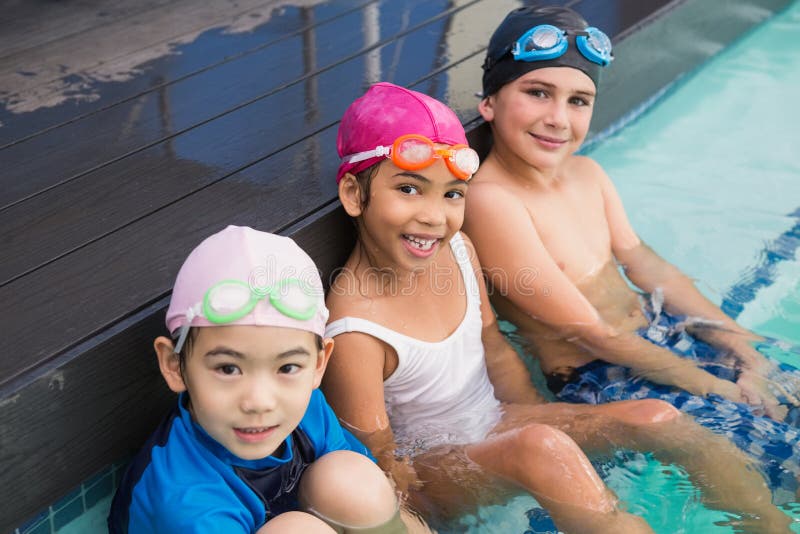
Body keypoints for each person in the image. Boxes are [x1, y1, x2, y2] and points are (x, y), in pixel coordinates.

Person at [321, 81, 791, 533]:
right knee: (541, 449)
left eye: (452, 194)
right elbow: (381, 463)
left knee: (658, 418)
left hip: (498, 421)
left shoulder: (458, 251)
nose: (433, 215)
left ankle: (771, 527)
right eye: (409, 189)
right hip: (432, 471)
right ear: (354, 195)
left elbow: (494, 349)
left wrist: (548, 420)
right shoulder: (356, 329)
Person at [464, 4, 800, 501]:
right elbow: (588, 332)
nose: (558, 118)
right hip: (603, 374)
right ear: (490, 102)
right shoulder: (492, 201)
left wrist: (742, 347)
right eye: (537, 93)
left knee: (785, 385)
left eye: (578, 100)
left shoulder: (588, 174)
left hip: (664, 334)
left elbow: (647, 265)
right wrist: (722, 389)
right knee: (782, 468)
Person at [108, 225, 407, 534]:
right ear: (174, 366)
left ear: (318, 364)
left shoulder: (308, 408)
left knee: (354, 483)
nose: (260, 401)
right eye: (228, 369)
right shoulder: (186, 506)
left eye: (287, 367)